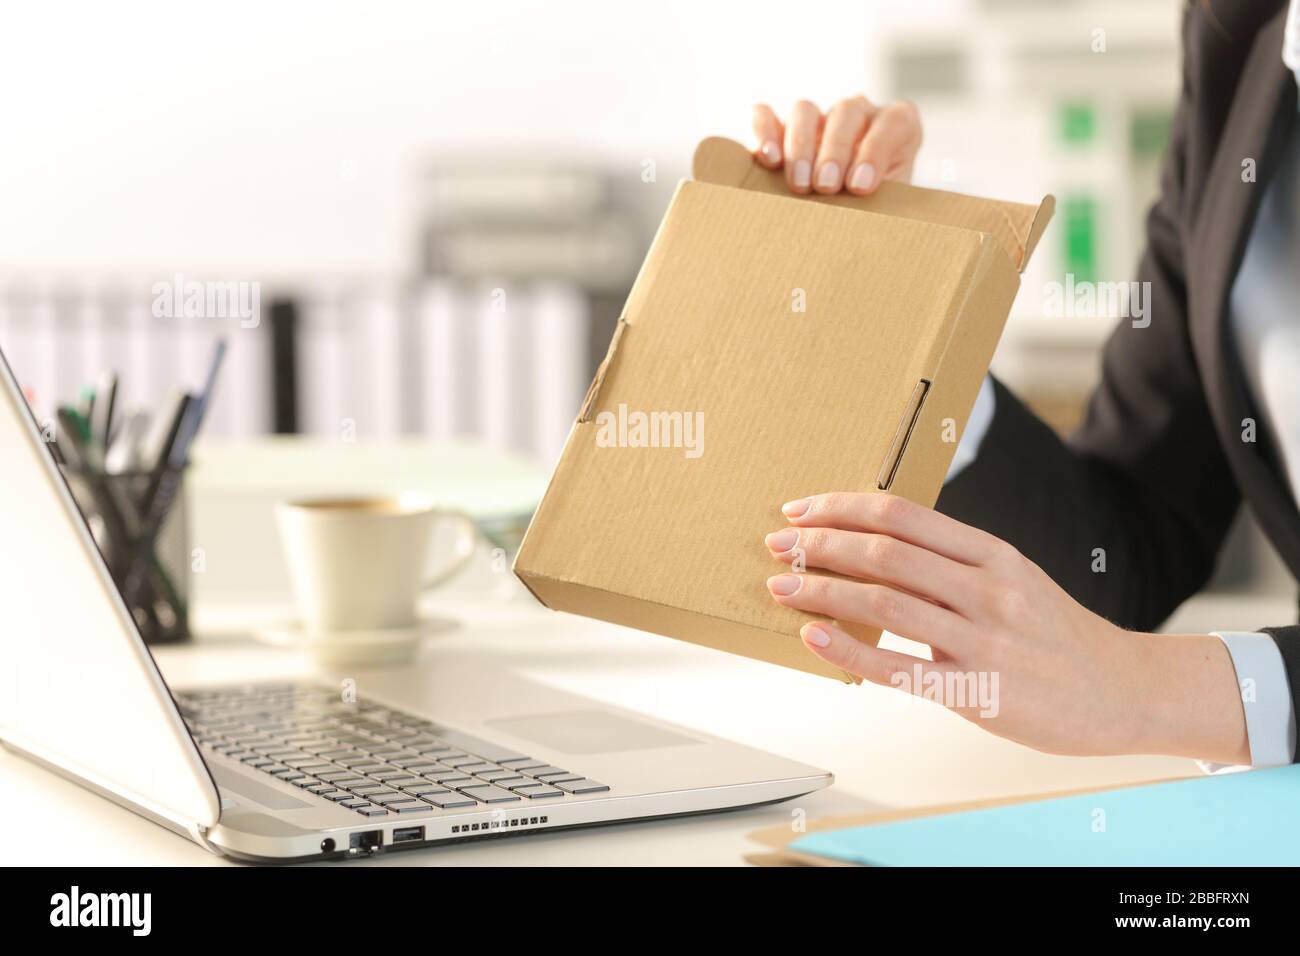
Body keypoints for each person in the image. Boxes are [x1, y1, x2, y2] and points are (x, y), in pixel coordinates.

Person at [758, 0, 1299, 768]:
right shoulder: (1241, 38)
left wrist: (1152, 690)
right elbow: (1124, 552)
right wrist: (915, 315)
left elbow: (1121, 672)